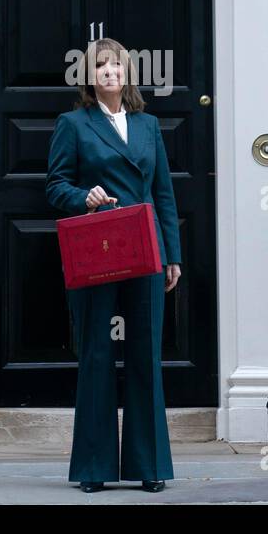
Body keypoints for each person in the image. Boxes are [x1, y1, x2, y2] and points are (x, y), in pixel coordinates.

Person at [45, 37, 182, 493]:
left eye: (116, 65)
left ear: (127, 73)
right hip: (98, 247)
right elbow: (55, 185)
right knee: (97, 355)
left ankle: (149, 466)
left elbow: (162, 192)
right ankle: (93, 467)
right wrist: (83, 197)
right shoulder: (73, 123)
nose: (109, 72)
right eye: (101, 65)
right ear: (90, 75)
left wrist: (172, 255)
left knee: (145, 354)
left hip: (145, 249)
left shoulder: (148, 126)